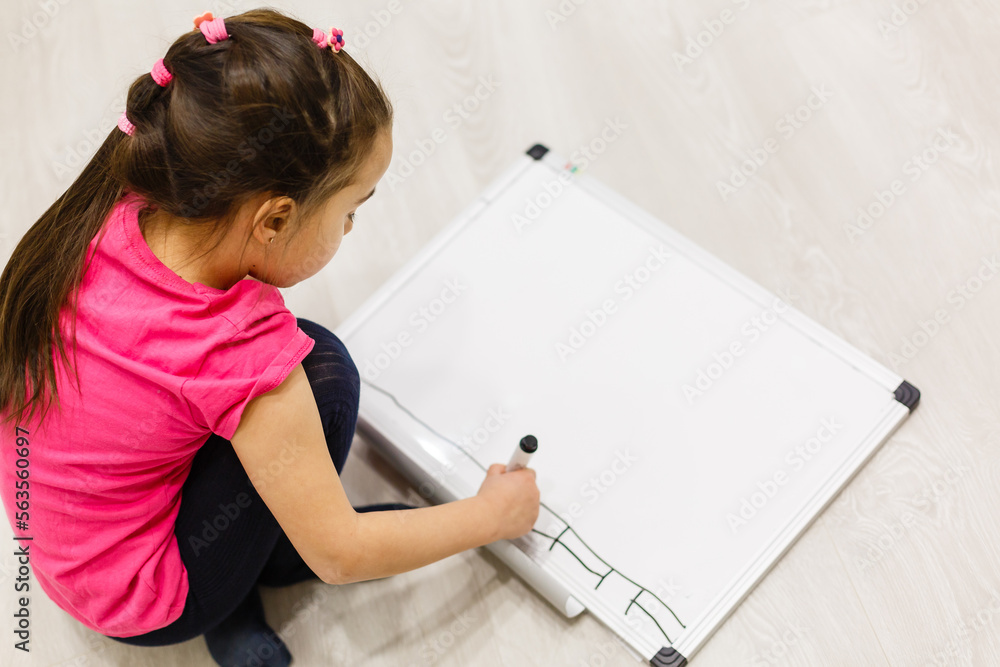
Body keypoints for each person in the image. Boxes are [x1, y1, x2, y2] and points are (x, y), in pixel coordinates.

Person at [0, 9, 540, 667]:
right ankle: (250, 581)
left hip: (65, 555)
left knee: (290, 379)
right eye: (350, 210)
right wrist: (493, 516)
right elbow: (340, 555)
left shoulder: (111, 209)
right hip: (149, 600)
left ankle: (252, 558)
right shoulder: (240, 348)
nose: (350, 229)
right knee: (324, 371)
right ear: (275, 219)